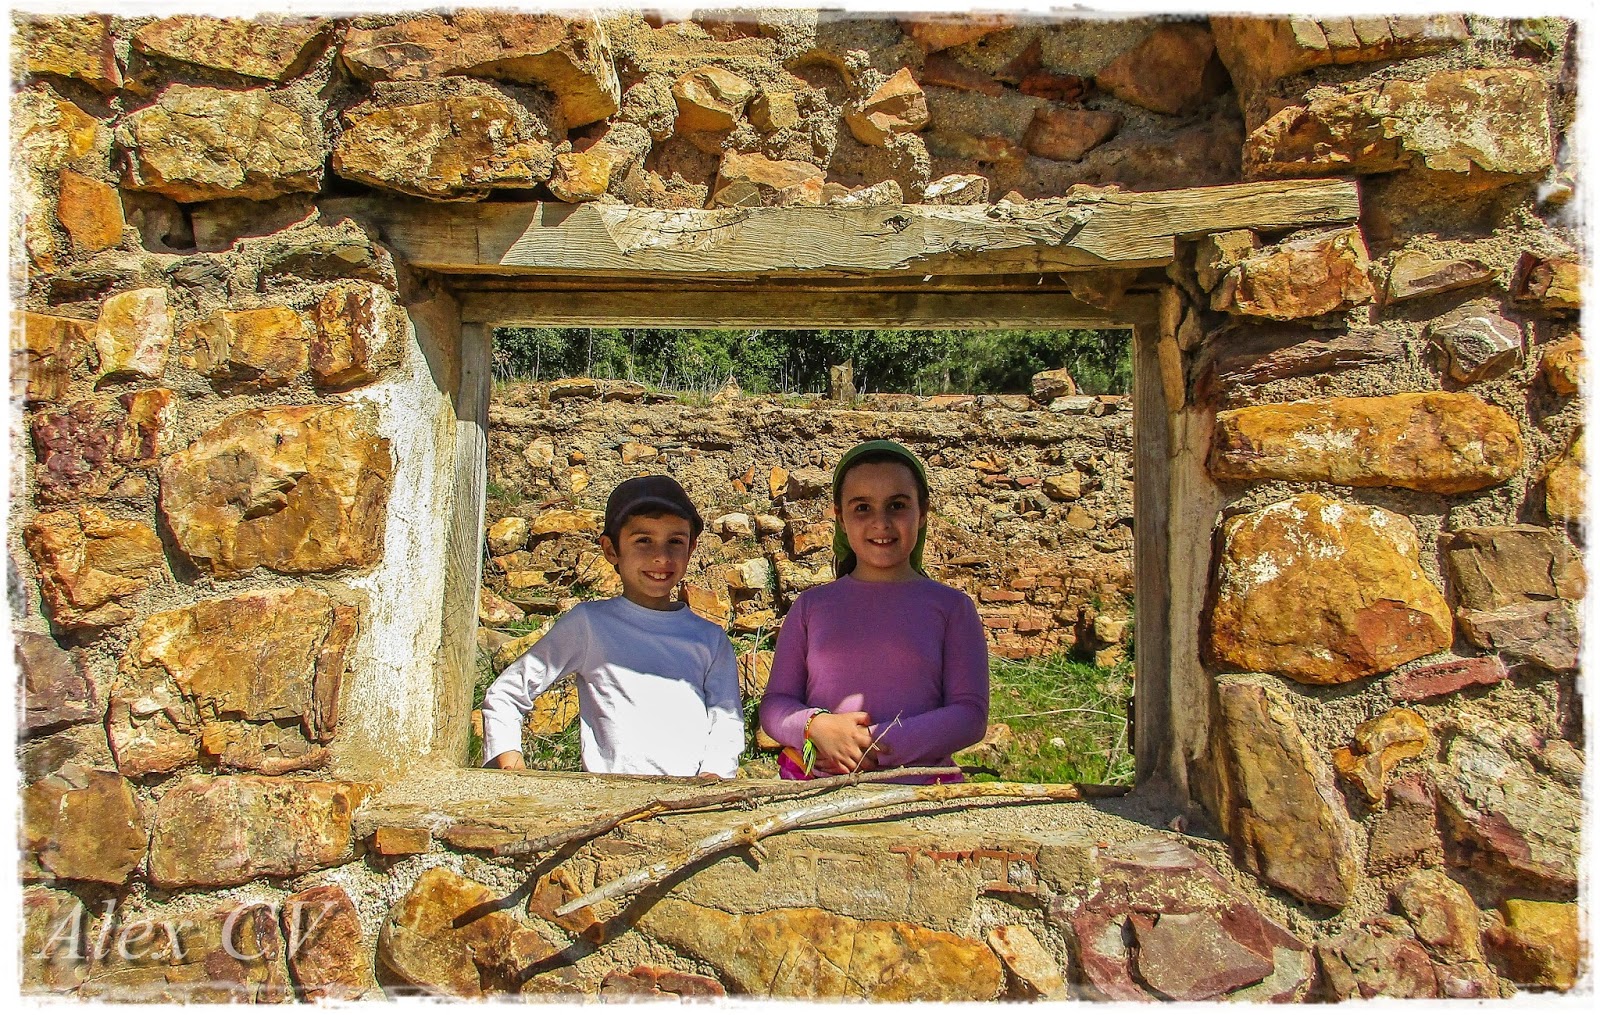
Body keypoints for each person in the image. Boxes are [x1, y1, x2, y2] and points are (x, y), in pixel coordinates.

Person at [481, 475, 743, 777]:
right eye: (643, 540)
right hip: (608, 806)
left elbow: (726, 721)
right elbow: (507, 692)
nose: (661, 557)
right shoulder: (590, 626)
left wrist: (714, 776)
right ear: (611, 550)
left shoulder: (710, 640)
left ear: (691, 548)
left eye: (675, 541)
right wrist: (509, 760)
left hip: (688, 808)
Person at [759, 440, 989, 782]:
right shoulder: (811, 608)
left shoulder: (952, 609)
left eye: (897, 505)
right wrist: (816, 726)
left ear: (923, 511)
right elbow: (776, 704)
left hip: (920, 794)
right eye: (862, 507)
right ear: (839, 516)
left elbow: (969, 715)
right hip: (815, 791)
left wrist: (881, 744)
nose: (880, 523)